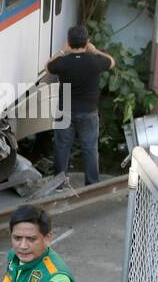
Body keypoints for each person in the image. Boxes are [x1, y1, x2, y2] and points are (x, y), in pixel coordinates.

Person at [46, 24, 114, 187]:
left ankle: (59, 184)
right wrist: (95, 50)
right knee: (90, 148)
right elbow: (112, 62)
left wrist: (63, 51)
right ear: (87, 42)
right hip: (89, 111)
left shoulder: (63, 62)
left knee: (62, 147)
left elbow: (48, 66)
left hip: (65, 111)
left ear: (69, 42)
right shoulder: (95, 61)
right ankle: (91, 184)